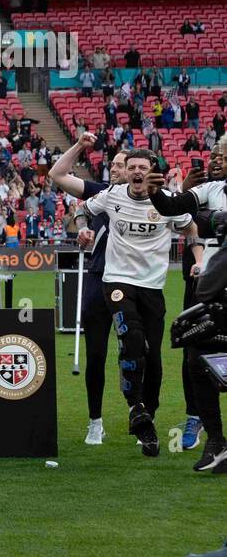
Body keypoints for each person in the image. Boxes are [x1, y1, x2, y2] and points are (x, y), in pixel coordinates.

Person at [82, 149, 200, 457]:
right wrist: (82, 225)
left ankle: (148, 416)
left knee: (154, 359)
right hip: (118, 282)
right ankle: (135, 408)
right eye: (132, 166)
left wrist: (197, 256)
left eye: (142, 167)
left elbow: (190, 226)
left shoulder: (167, 203)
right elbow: (83, 209)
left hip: (152, 287)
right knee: (132, 338)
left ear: (152, 173)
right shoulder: (113, 195)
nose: (136, 171)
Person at [146, 146, 227, 472]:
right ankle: (217, 442)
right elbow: (174, 208)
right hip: (216, 292)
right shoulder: (213, 189)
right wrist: (156, 192)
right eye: (217, 155)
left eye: (224, 154)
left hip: (214, 285)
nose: (218, 160)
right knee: (196, 356)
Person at [49, 137, 128, 443]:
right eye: (114, 164)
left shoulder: (149, 198)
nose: (116, 168)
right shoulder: (101, 192)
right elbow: (57, 175)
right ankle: (95, 421)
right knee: (96, 354)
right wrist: (80, 145)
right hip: (98, 277)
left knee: (136, 353)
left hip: (133, 281)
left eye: (121, 164)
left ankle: (139, 414)